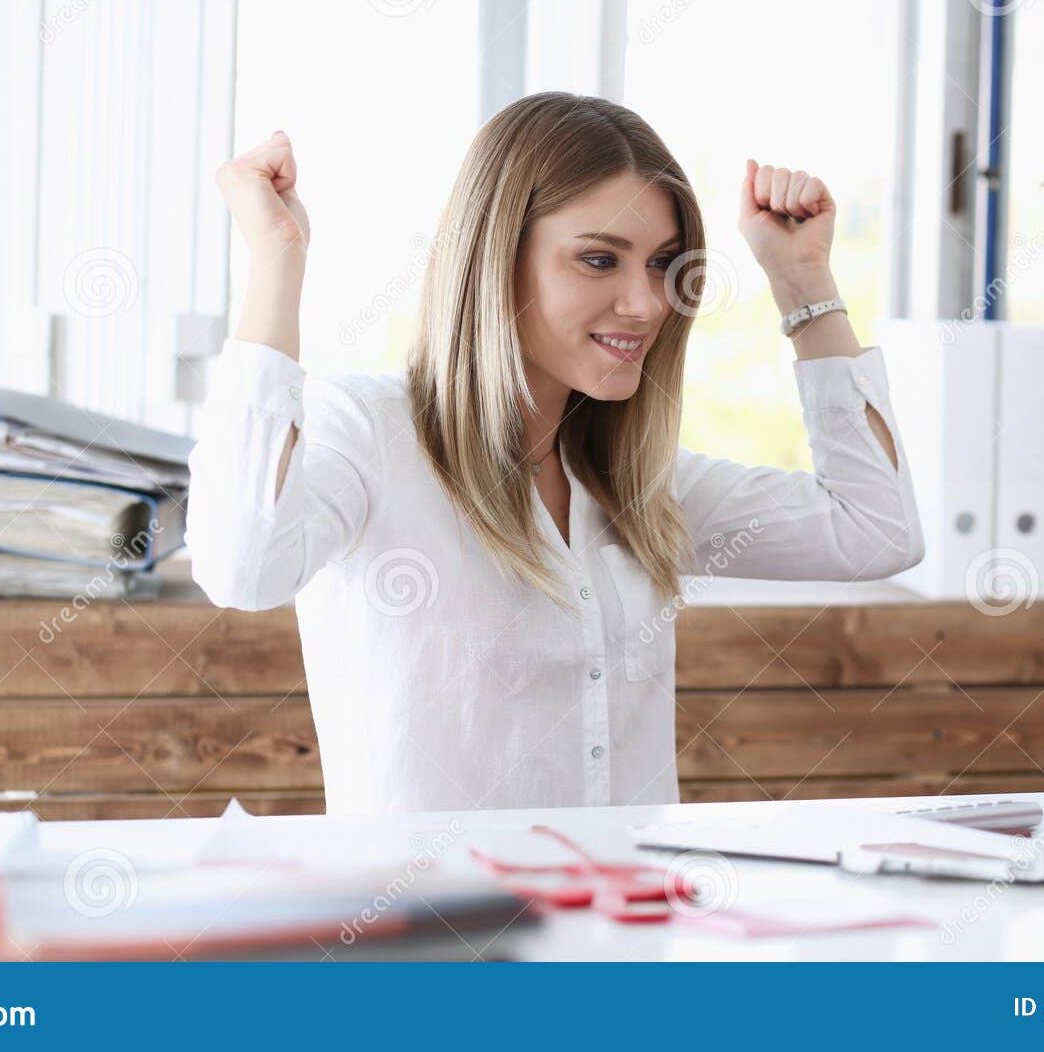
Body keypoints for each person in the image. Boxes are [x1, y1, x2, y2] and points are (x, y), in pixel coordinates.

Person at [185, 91, 924, 814]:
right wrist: (278, 261)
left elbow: (876, 530)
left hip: (622, 931)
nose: (646, 303)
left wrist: (803, 282)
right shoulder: (370, 435)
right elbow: (242, 568)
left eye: (664, 264)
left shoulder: (637, 481)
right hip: (431, 931)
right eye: (600, 261)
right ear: (495, 261)